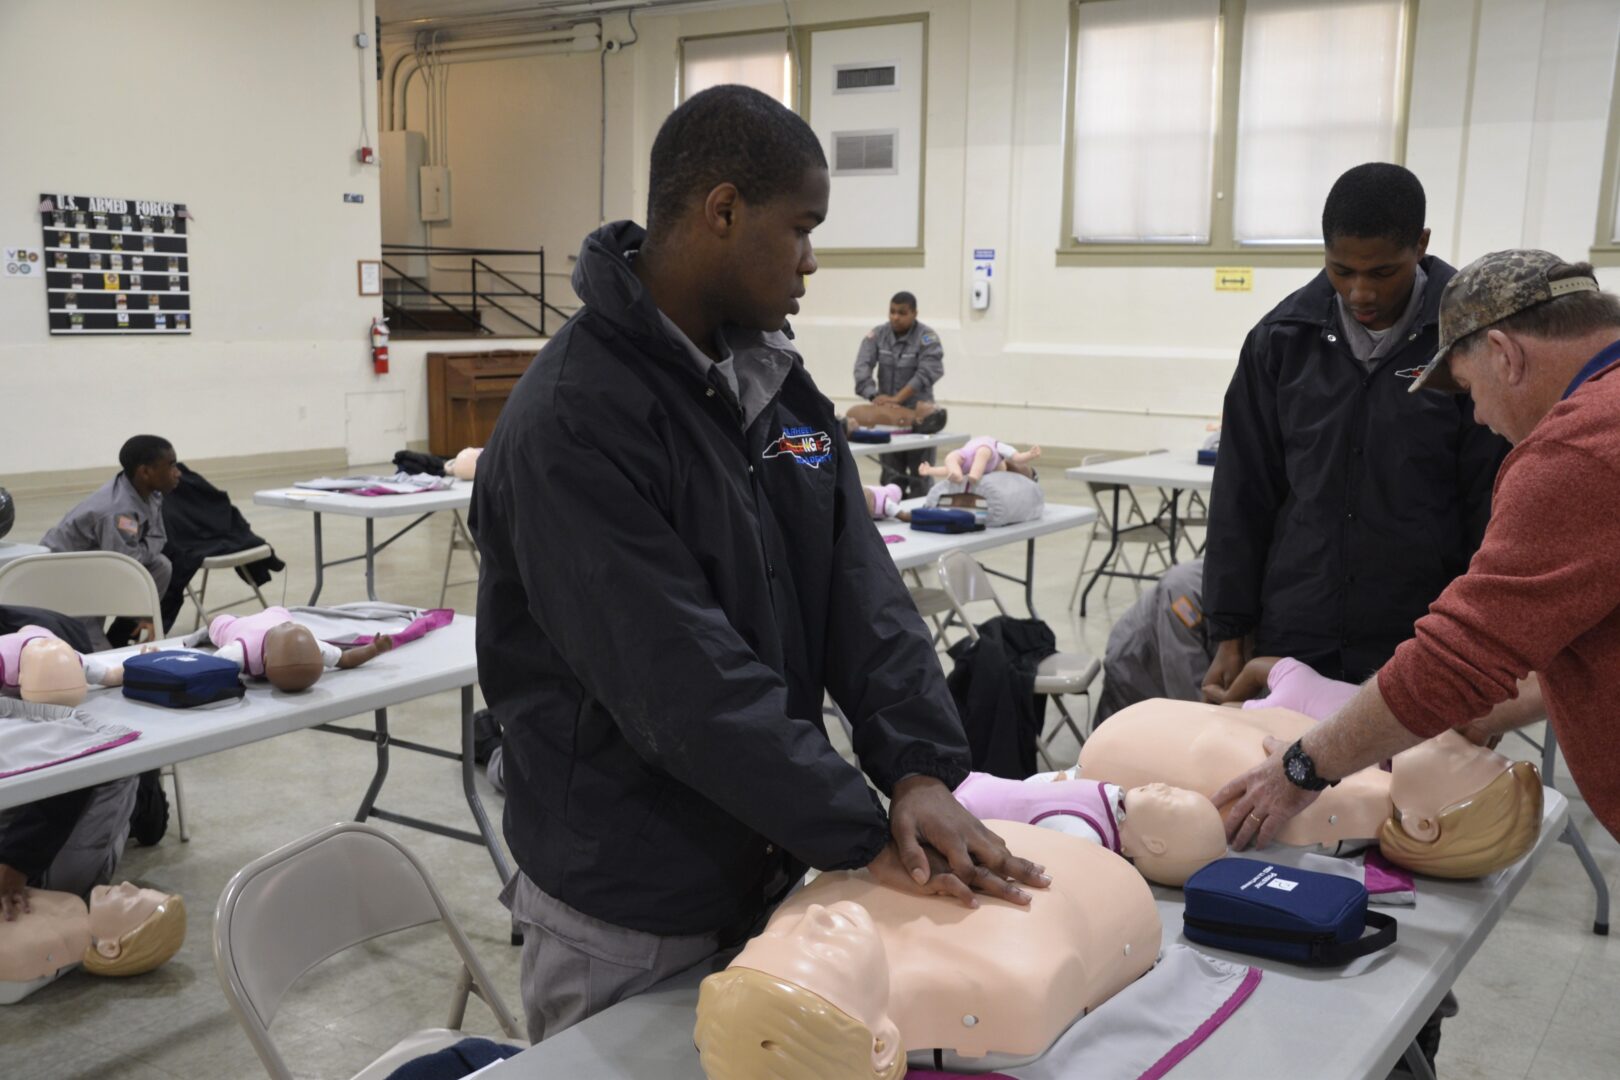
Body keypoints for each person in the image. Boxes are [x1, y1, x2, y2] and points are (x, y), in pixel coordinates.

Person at [470, 85, 1046, 1044]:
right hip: (632, 900)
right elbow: (685, 689)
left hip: (768, 860)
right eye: (802, 230)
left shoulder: (774, 386)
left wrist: (918, 772)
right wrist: (865, 834)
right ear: (723, 211)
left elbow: (859, 591)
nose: (813, 262)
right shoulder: (573, 421)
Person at [1214, 249, 1620, 852]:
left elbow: (1459, 658)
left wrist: (1301, 768)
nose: (1478, 417)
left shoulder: (1577, 452)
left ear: (1506, 355)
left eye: (1466, 389)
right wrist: (1481, 709)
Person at [1201, 164, 1507, 699]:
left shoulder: (1470, 341)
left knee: (1400, 784)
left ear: (1421, 245)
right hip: (1298, 624)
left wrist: (1481, 650)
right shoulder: (1282, 341)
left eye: (1383, 273)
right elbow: (1242, 492)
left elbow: (1491, 503)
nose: (1360, 292)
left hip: (1420, 632)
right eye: (1341, 271)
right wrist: (1230, 630)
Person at [40, 434, 181, 647]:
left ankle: (123, 632)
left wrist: (139, 549)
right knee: (104, 664)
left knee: (161, 566)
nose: (177, 473)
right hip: (66, 582)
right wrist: (141, 549)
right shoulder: (118, 511)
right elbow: (128, 561)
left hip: (98, 570)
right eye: (171, 465)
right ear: (145, 472)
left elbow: (158, 537)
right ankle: (100, 640)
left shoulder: (150, 493)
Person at [853, 291, 946, 496]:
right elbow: (862, 367)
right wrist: (874, 396)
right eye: (892, 311)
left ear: (914, 313)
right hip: (888, 419)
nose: (895, 317)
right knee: (890, 479)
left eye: (902, 313)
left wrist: (898, 399)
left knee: (920, 476)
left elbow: (928, 371)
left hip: (919, 420)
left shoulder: (927, 338)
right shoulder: (877, 335)